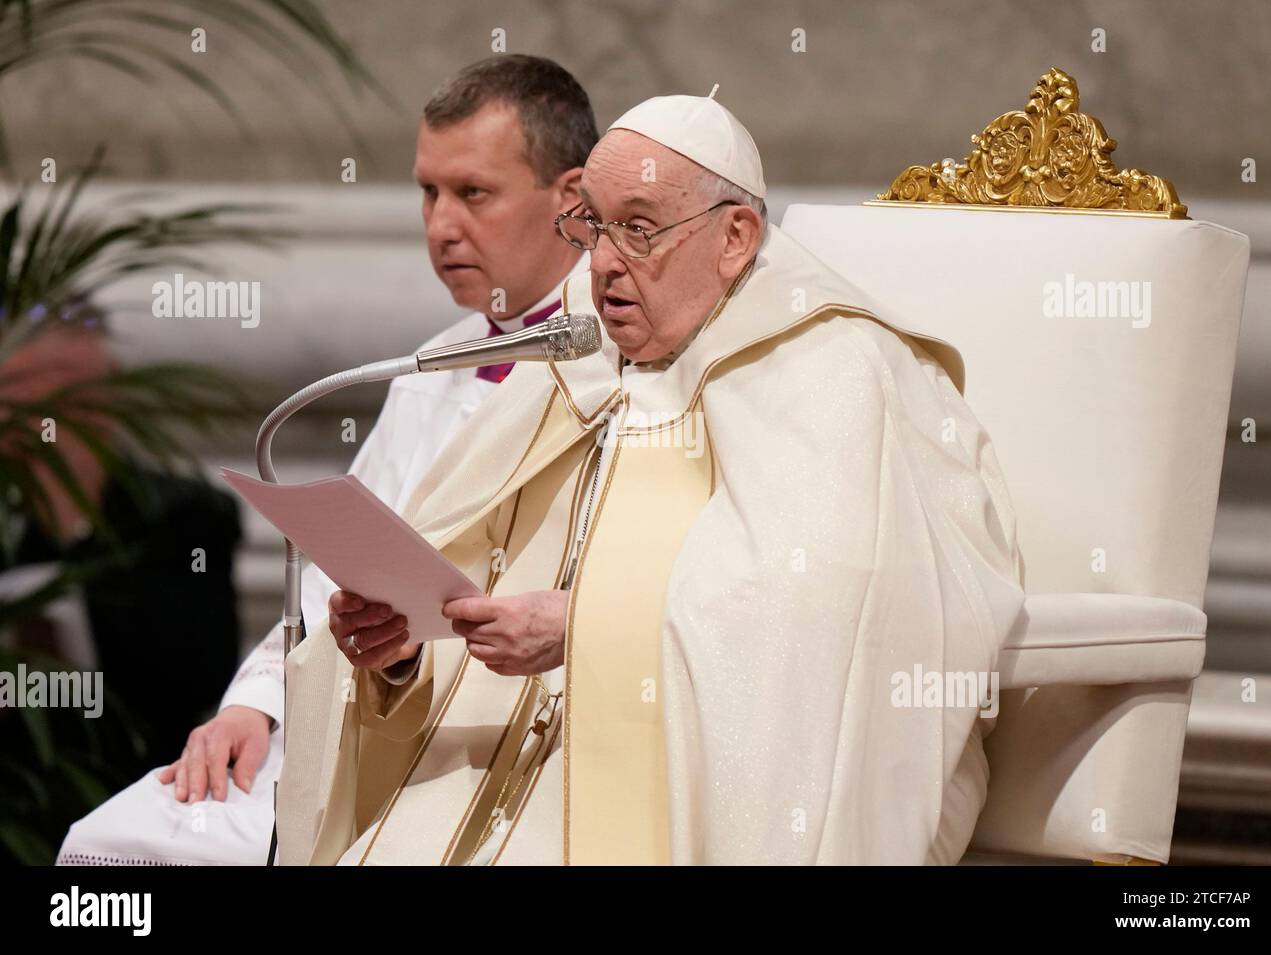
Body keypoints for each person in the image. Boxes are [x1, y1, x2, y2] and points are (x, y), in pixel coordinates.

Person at [279, 92, 1027, 866]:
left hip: (671, 797)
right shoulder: (577, 357)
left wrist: (586, 627)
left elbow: (834, 615)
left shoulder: (829, 369)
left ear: (735, 237)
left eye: (638, 229)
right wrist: (405, 652)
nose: (602, 262)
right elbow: (478, 571)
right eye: (592, 225)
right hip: (492, 774)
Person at [55, 54, 597, 866]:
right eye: (427, 192)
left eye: (473, 193)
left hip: (515, 726)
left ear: (572, 199)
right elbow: (332, 573)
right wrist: (254, 708)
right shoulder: (435, 364)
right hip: (369, 700)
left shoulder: (618, 367)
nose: (441, 225)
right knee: (116, 850)